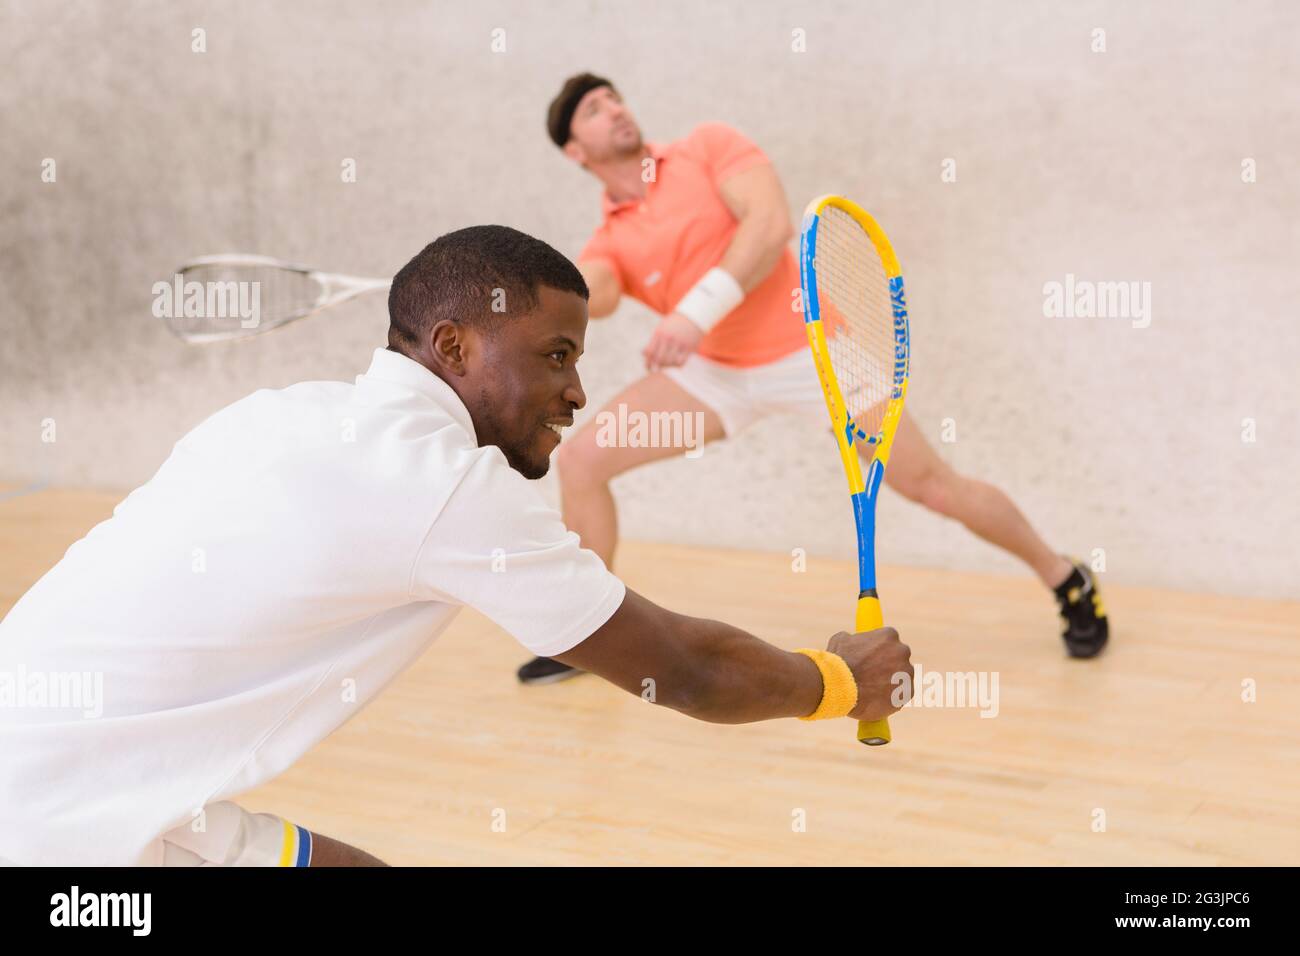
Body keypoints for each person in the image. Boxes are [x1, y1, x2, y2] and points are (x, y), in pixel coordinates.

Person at [0, 225, 912, 866]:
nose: (578, 392)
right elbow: (681, 669)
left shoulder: (277, 414)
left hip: (57, 754)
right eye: (557, 355)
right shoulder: (441, 486)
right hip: (57, 828)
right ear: (453, 346)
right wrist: (838, 682)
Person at [515, 73, 1108, 687]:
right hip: (715, 376)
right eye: (593, 109)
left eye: (613, 97)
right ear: (575, 151)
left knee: (933, 484)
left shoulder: (707, 147)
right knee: (582, 460)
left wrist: (693, 315)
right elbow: (591, 290)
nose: (613, 108)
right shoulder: (611, 238)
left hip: (816, 356)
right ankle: (582, 633)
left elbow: (768, 225)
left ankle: (1065, 577)